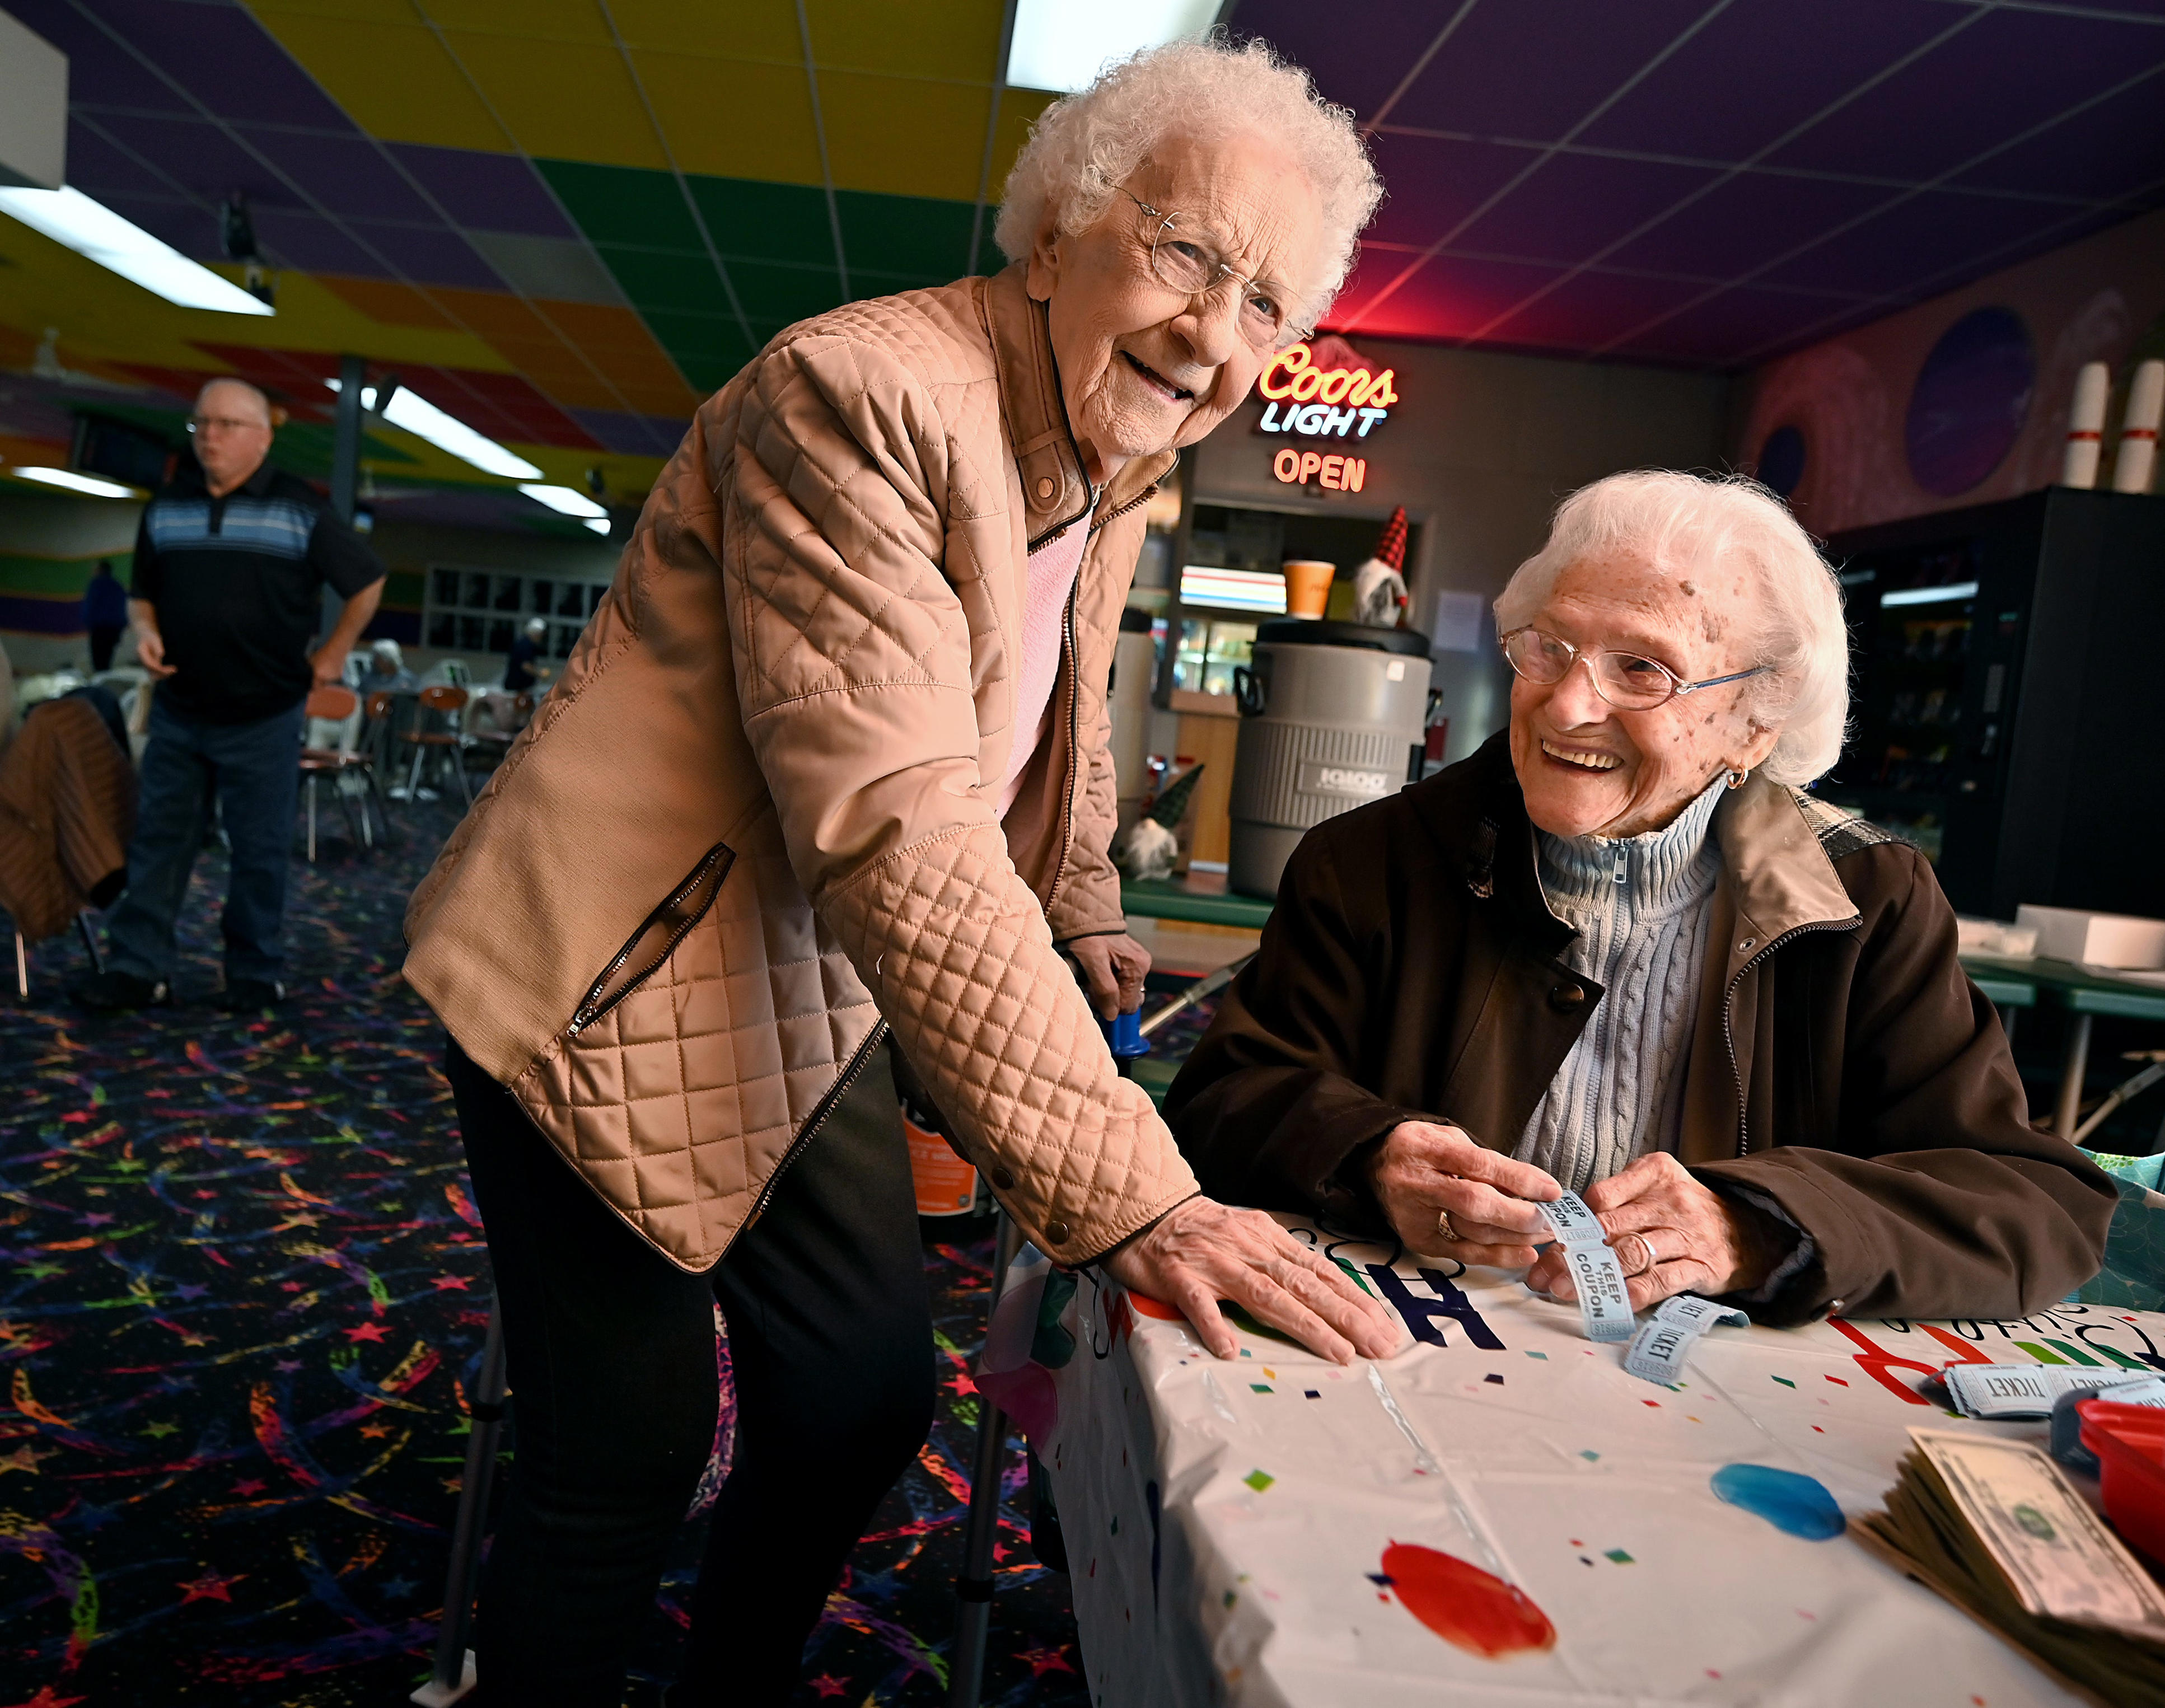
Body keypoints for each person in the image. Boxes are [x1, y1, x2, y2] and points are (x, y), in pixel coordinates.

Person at [401, 39, 1399, 1706]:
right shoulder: (858, 394)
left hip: (799, 993)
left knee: (860, 1401)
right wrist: (1134, 1195)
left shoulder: (1118, 460)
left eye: (1266, 308)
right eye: (1183, 256)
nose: (1212, 338)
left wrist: (1078, 901)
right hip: (597, 981)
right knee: (622, 1453)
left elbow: (1048, 720)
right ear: (1060, 229)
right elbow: (894, 813)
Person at [1168, 470, 2115, 1327]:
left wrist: (1757, 1228)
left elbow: (2028, 1203)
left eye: (1639, 668)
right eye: (1551, 647)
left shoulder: (1866, 900)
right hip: (1405, 1363)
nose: (1568, 703)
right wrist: (1370, 1154)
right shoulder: (1373, 860)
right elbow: (1222, 1100)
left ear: (1755, 722)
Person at [73, 377, 385, 1012]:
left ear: (263, 439)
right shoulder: (165, 506)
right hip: (181, 710)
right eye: (201, 424)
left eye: (226, 425)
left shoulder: (300, 508)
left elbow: (367, 580)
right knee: (160, 841)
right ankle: (140, 968)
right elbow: (143, 593)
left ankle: (253, 971)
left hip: (264, 714)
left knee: (259, 850)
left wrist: (332, 654)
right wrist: (146, 631)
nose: (209, 436)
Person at [83, 560, 128, 671]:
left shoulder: (96, 584)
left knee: (98, 663)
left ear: (100, 570)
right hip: (113, 629)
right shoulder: (117, 585)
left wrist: (87, 623)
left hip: (99, 628)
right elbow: (124, 608)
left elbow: (90, 606)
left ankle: (100, 684)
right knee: (107, 661)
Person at [502, 615, 549, 691]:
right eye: (541, 635)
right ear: (536, 633)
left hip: (518, 687)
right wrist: (540, 674)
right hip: (517, 689)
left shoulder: (524, 644)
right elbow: (526, 666)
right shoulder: (525, 645)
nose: (541, 637)